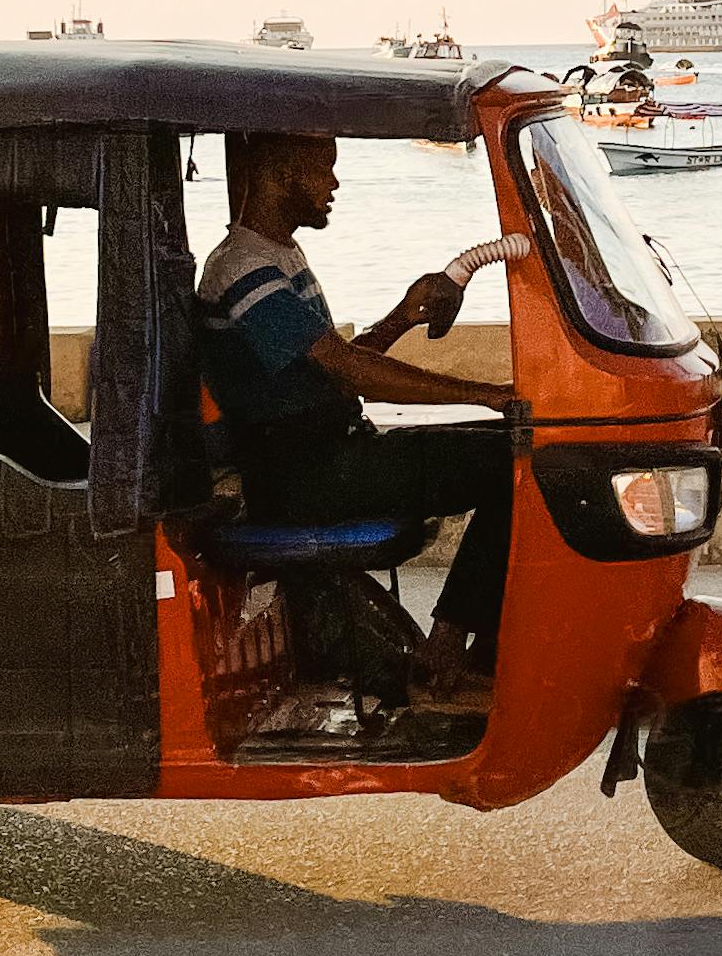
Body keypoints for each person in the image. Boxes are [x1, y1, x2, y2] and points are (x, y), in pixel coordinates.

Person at [198, 131, 516, 690]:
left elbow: (332, 366)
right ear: (278, 172)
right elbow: (347, 369)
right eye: (323, 169)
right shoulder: (241, 268)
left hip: (334, 454)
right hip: (307, 475)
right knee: (509, 465)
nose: (334, 185)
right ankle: (447, 647)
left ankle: (467, 644)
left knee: (507, 448)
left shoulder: (279, 256)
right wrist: (488, 393)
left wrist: (403, 315)